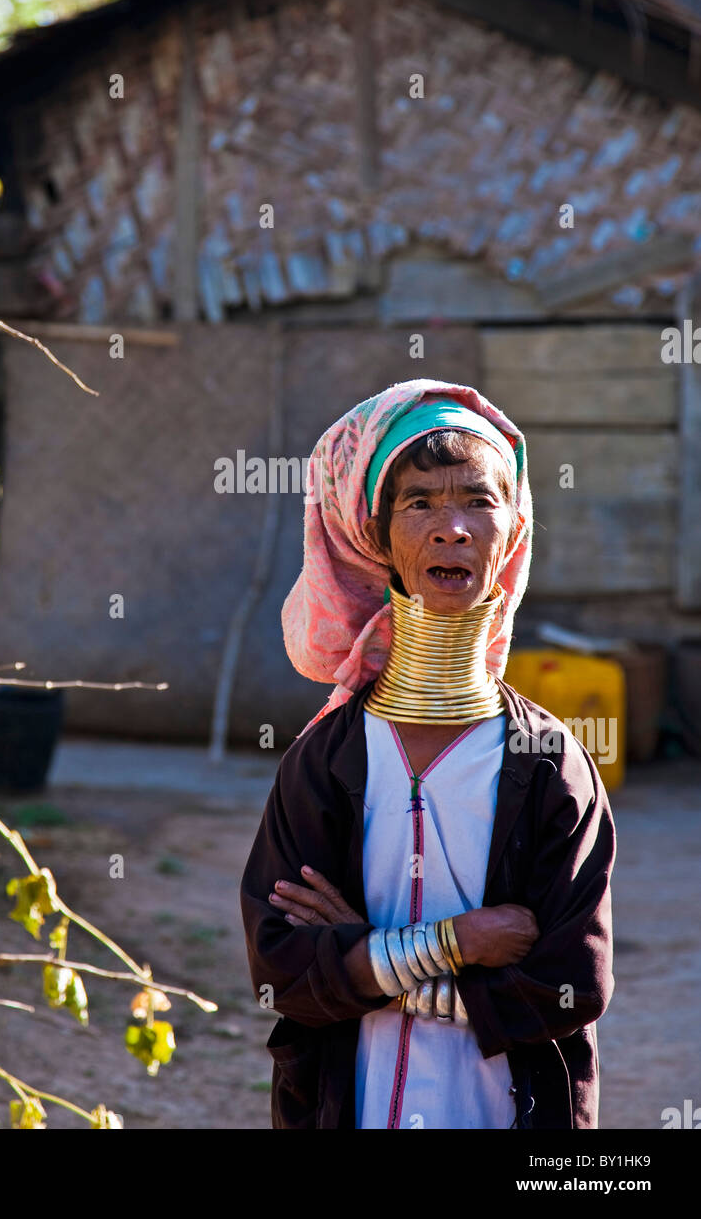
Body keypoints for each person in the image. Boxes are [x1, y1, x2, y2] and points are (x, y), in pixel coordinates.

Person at [240, 379, 616, 1130]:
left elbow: (571, 982)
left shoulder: (548, 765)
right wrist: (458, 942)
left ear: (513, 528)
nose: (453, 528)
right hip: (349, 1106)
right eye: (420, 503)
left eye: (479, 500)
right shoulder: (327, 761)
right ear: (374, 535)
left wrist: (372, 957)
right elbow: (283, 969)